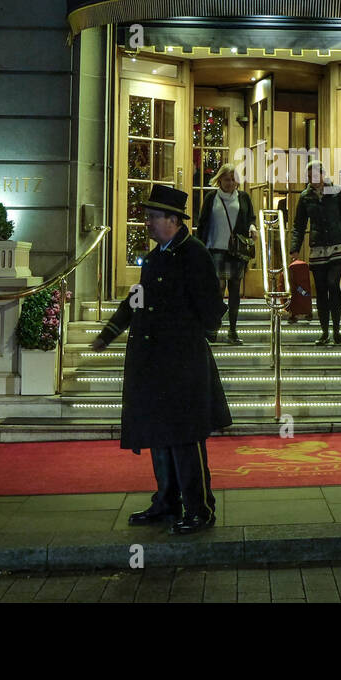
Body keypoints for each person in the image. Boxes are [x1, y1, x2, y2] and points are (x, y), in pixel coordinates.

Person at [90, 184, 232, 534]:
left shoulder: (193, 253)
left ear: (173, 220)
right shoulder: (156, 256)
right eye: (147, 217)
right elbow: (136, 299)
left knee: (185, 436)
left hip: (182, 362)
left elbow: (212, 308)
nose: (148, 224)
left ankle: (200, 509)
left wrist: (188, 335)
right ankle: (167, 502)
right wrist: (109, 332)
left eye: (153, 217)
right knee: (159, 433)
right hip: (153, 362)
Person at [289, 160, 341, 346]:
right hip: (318, 247)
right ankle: (324, 331)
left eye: (316, 175)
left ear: (323, 174)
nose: (313, 180)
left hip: (338, 245)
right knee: (321, 289)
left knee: (332, 283)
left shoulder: (336, 192)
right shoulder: (306, 196)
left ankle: (336, 329)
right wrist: (295, 248)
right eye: (309, 177)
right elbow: (299, 224)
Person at [195, 162, 257, 345]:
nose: (230, 183)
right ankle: (213, 327)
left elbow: (250, 218)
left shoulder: (243, 198)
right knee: (217, 289)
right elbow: (203, 223)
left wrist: (253, 228)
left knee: (235, 289)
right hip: (214, 249)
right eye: (227, 179)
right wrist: (199, 247)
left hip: (235, 251)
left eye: (233, 180)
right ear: (219, 180)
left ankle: (232, 330)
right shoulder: (211, 198)